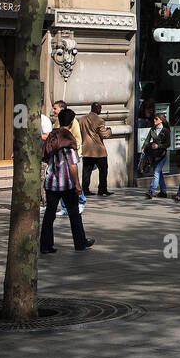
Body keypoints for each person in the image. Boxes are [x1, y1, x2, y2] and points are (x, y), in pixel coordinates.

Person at [40, 107, 95, 253]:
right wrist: (77, 184)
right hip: (66, 184)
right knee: (74, 214)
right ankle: (80, 242)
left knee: (49, 216)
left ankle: (45, 245)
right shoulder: (68, 138)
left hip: (51, 182)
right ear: (71, 123)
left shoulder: (52, 136)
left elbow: (45, 156)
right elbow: (72, 164)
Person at [53, 101, 85, 216]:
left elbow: (77, 140)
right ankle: (65, 207)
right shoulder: (57, 122)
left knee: (73, 180)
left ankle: (81, 201)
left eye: (55, 108)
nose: (53, 111)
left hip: (71, 154)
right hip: (60, 155)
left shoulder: (73, 123)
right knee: (64, 182)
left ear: (61, 109)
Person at [79, 102, 113, 197]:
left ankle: (85, 189)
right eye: (100, 108)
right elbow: (104, 134)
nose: (101, 110)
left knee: (86, 171)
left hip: (86, 149)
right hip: (98, 151)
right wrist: (109, 130)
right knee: (103, 170)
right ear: (97, 109)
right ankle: (102, 189)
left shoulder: (82, 119)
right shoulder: (99, 120)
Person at [141, 113, 170, 199]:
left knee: (156, 172)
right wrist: (143, 148)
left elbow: (168, 144)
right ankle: (163, 191)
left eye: (156, 119)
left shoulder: (166, 131)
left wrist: (159, 146)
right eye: (154, 119)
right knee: (159, 173)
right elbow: (147, 140)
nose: (154, 120)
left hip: (162, 154)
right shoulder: (152, 129)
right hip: (154, 154)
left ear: (161, 120)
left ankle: (152, 190)